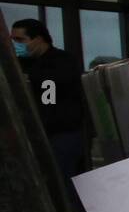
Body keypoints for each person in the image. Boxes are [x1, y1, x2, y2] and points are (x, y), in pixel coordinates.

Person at [12, 18, 87, 194]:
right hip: (34, 135)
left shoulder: (61, 62)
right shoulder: (22, 64)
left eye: (20, 40)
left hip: (61, 135)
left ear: (38, 39)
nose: (16, 45)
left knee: (62, 186)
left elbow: (49, 96)